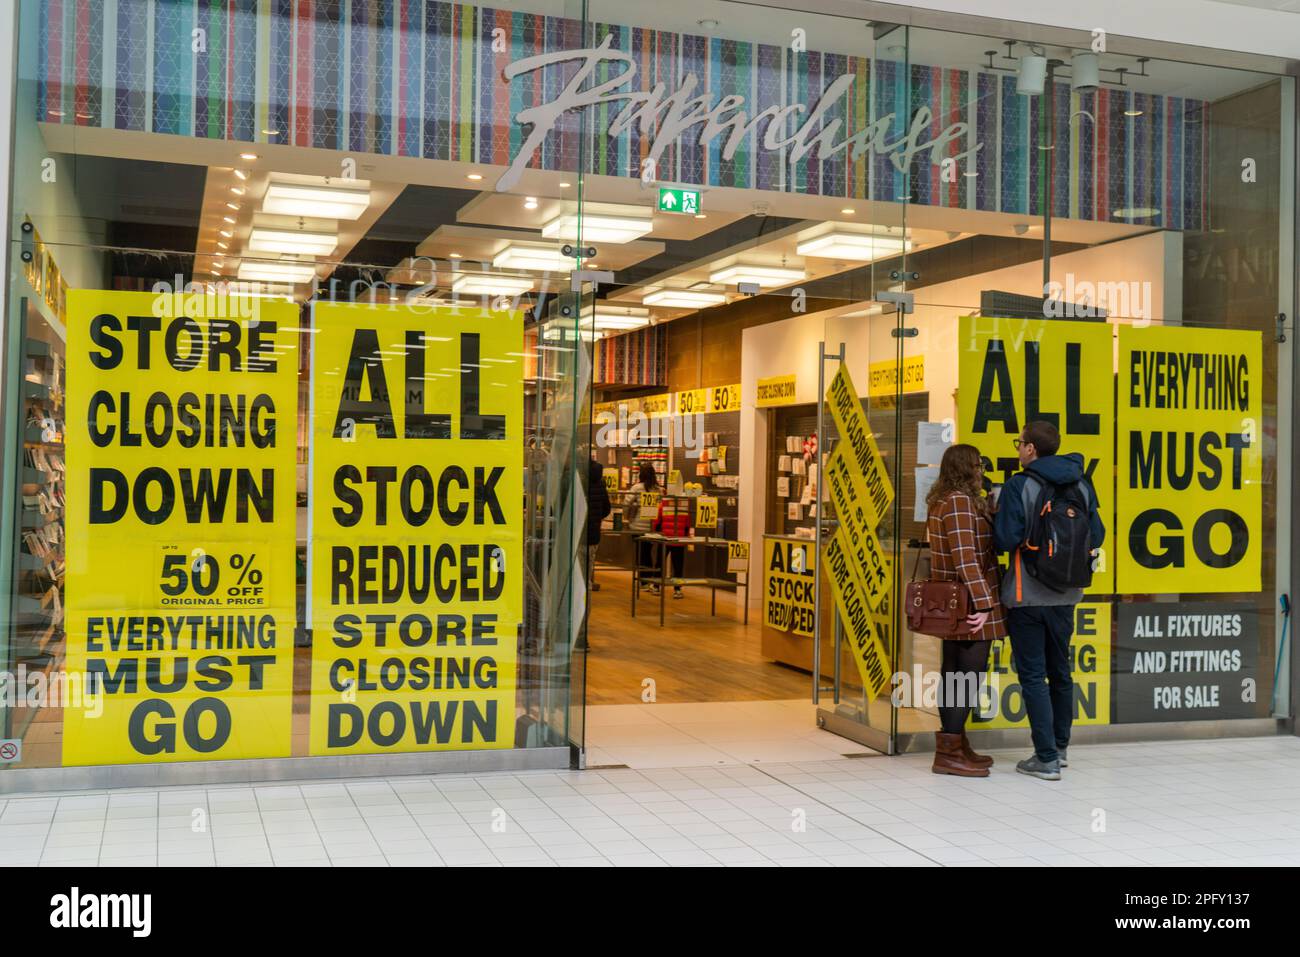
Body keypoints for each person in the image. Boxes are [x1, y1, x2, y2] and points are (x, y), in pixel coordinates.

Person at [993, 420, 1105, 781]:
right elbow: (1098, 533)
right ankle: (1059, 747)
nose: (1018, 449)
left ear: (1030, 449)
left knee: (1032, 675)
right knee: (1060, 671)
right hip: (1068, 595)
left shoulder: (1019, 485)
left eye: (1019, 443)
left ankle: (1044, 759)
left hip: (1028, 596)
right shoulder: (1081, 484)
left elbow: (1006, 540)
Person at [925, 443, 1007, 777]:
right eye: (978, 465)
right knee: (966, 676)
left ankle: (955, 744)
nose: (982, 470)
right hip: (970, 602)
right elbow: (965, 557)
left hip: (956, 601)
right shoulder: (958, 502)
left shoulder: (943, 499)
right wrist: (986, 603)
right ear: (965, 468)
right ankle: (948, 753)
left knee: (954, 673)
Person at [623, 464, 661, 590]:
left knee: (640, 553)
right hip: (652, 527)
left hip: (637, 526)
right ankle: (648, 579)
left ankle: (643, 580)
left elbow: (626, 503)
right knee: (647, 553)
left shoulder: (636, 488)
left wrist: (627, 518)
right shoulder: (657, 489)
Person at [653, 495, 693, 599]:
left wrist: (657, 531)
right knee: (678, 566)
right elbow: (687, 524)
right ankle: (677, 590)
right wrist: (685, 536)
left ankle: (656, 586)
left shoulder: (663, 506)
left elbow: (657, 522)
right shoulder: (684, 507)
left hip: (664, 539)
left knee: (659, 563)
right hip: (679, 540)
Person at [586, 457, 611, 592]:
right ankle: (585, 609)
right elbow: (607, 508)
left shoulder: (577, 479)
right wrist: (595, 519)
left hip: (576, 534)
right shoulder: (600, 483)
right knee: (587, 575)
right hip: (593, 534)